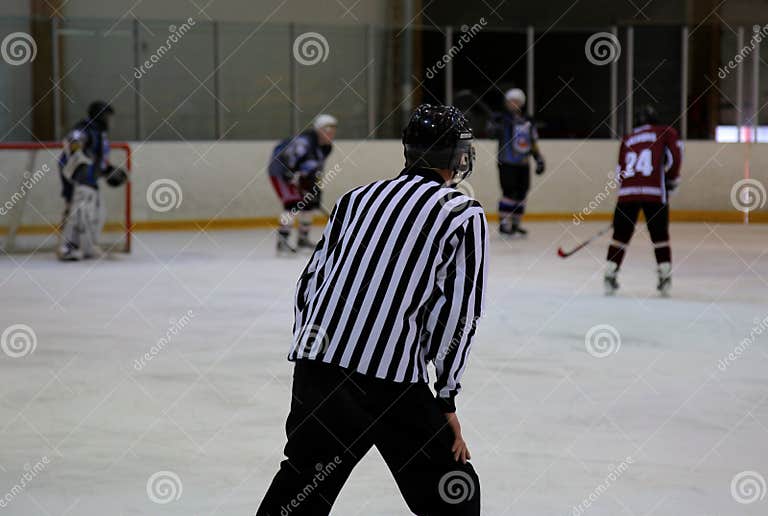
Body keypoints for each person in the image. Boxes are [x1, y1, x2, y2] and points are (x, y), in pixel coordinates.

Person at [256, 104, 488, 516]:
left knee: (301, 484)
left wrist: (313, 353)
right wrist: (446, 398)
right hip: (389, 382)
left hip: (318, 367)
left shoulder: (354, 199)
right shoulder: (461, 214)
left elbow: (309, 284)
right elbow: (457, 315)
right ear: (456, 156)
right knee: (452, 489)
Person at [604, 105, 683, 296]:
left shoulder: (627, 138)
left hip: (627, 193)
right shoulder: (665, 132)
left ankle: (609, 274)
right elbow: (674, 157)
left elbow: (619, 171)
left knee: (620, 236)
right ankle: (664, 276)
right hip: (654, 191)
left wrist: (625, 193)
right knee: (659, 236)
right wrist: (671, 180)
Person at [57, 101, 126, 261]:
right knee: (81, 212)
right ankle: (67, 247)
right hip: (80, 179)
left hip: (90, 179)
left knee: (98, 213)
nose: (110, 121)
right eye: (107, 116)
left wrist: (106, 170)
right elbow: (73, 143)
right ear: (100, 115)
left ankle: (89, 247)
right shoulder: (84, 128)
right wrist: (80, 165)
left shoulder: (99, 133)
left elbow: (97, 158)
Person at [268, 114, 337, 254]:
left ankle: (302, 240)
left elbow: (317, 168)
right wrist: (292, 176)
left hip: (300, 176)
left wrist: (314, 187)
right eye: (326, 129)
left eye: (332, 129)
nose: (330, 132)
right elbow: (288, 160)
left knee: (309, 203)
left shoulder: (326, 147)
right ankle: (282, 241)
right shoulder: (304, 142)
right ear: (318, 129)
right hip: (281, 173)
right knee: (292, 204)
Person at [487, 88, 545, 236]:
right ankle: (504, 222)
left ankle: (516, 223)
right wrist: (493, 125)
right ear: (506, 103)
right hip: (506, 162)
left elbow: (532, 141)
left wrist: (538, 158)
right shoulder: (502, 120)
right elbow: (491, 134)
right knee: (509, 191)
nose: (513, 104)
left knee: (522, 193)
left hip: (523, 163)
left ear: (522, 103)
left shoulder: (528, 121)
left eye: (516, 101)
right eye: (511, 101)